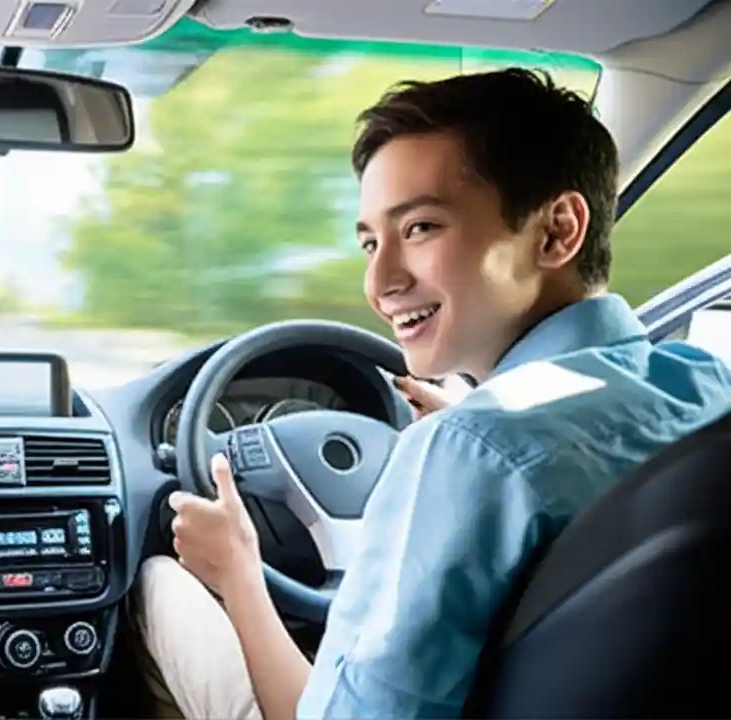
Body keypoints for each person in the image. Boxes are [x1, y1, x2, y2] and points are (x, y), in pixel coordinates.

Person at [132, 67, 731, 719]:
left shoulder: (464, 454)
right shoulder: (704, 384)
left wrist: (237, 570)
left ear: (558, 231)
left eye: (420, 228)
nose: (379, 283)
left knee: (157, 585)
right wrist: (476, 431)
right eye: (370, 243)